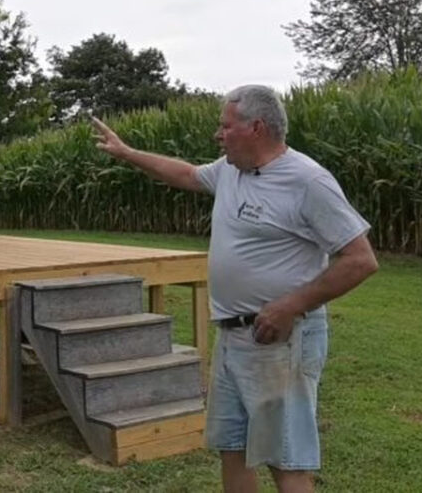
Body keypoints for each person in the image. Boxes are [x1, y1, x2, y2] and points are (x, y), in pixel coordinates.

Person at [91, 85, 378, 493]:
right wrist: (127, 152)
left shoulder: (307, 180)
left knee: (285, 459)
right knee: (234, 448)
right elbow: (186, 173)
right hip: (231, 334)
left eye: (225, 126)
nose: (218, 134)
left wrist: (290, 306)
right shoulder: (230, 170)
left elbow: (360, 259)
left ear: (255, 127)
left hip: (279, 339)